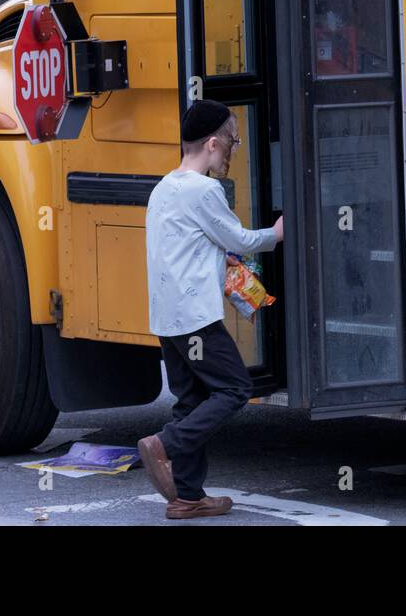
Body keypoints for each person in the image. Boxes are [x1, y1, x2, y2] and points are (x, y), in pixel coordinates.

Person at [138, 99, 283, 520]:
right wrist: (276, 233)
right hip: (195, 317)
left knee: (191, 397)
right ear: (213, 143)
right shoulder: (204, 190)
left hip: (166, 318)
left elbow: (194, 245)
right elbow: (238, 238)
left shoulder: (163, 186)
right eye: (233, 142)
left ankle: (187, 497)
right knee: (234, 388)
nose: (234, 152)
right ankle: (165, 443)